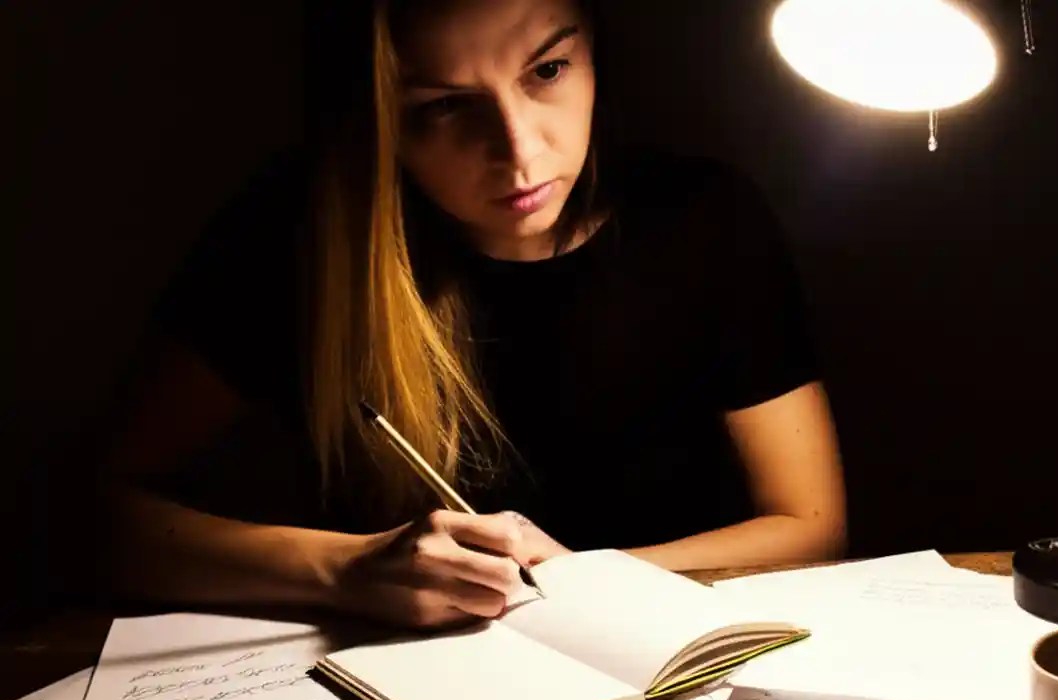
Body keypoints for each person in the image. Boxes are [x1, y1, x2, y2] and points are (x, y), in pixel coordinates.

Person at [92, 0, 847, 630]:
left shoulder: (701, 218)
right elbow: (91, 519)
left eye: (547, 70)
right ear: (379, 118)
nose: (518, 152)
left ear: (596, 55)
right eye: (446, 106)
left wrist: (590, 578)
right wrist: (344, 570)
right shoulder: (302, 238)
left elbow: (811, 525)